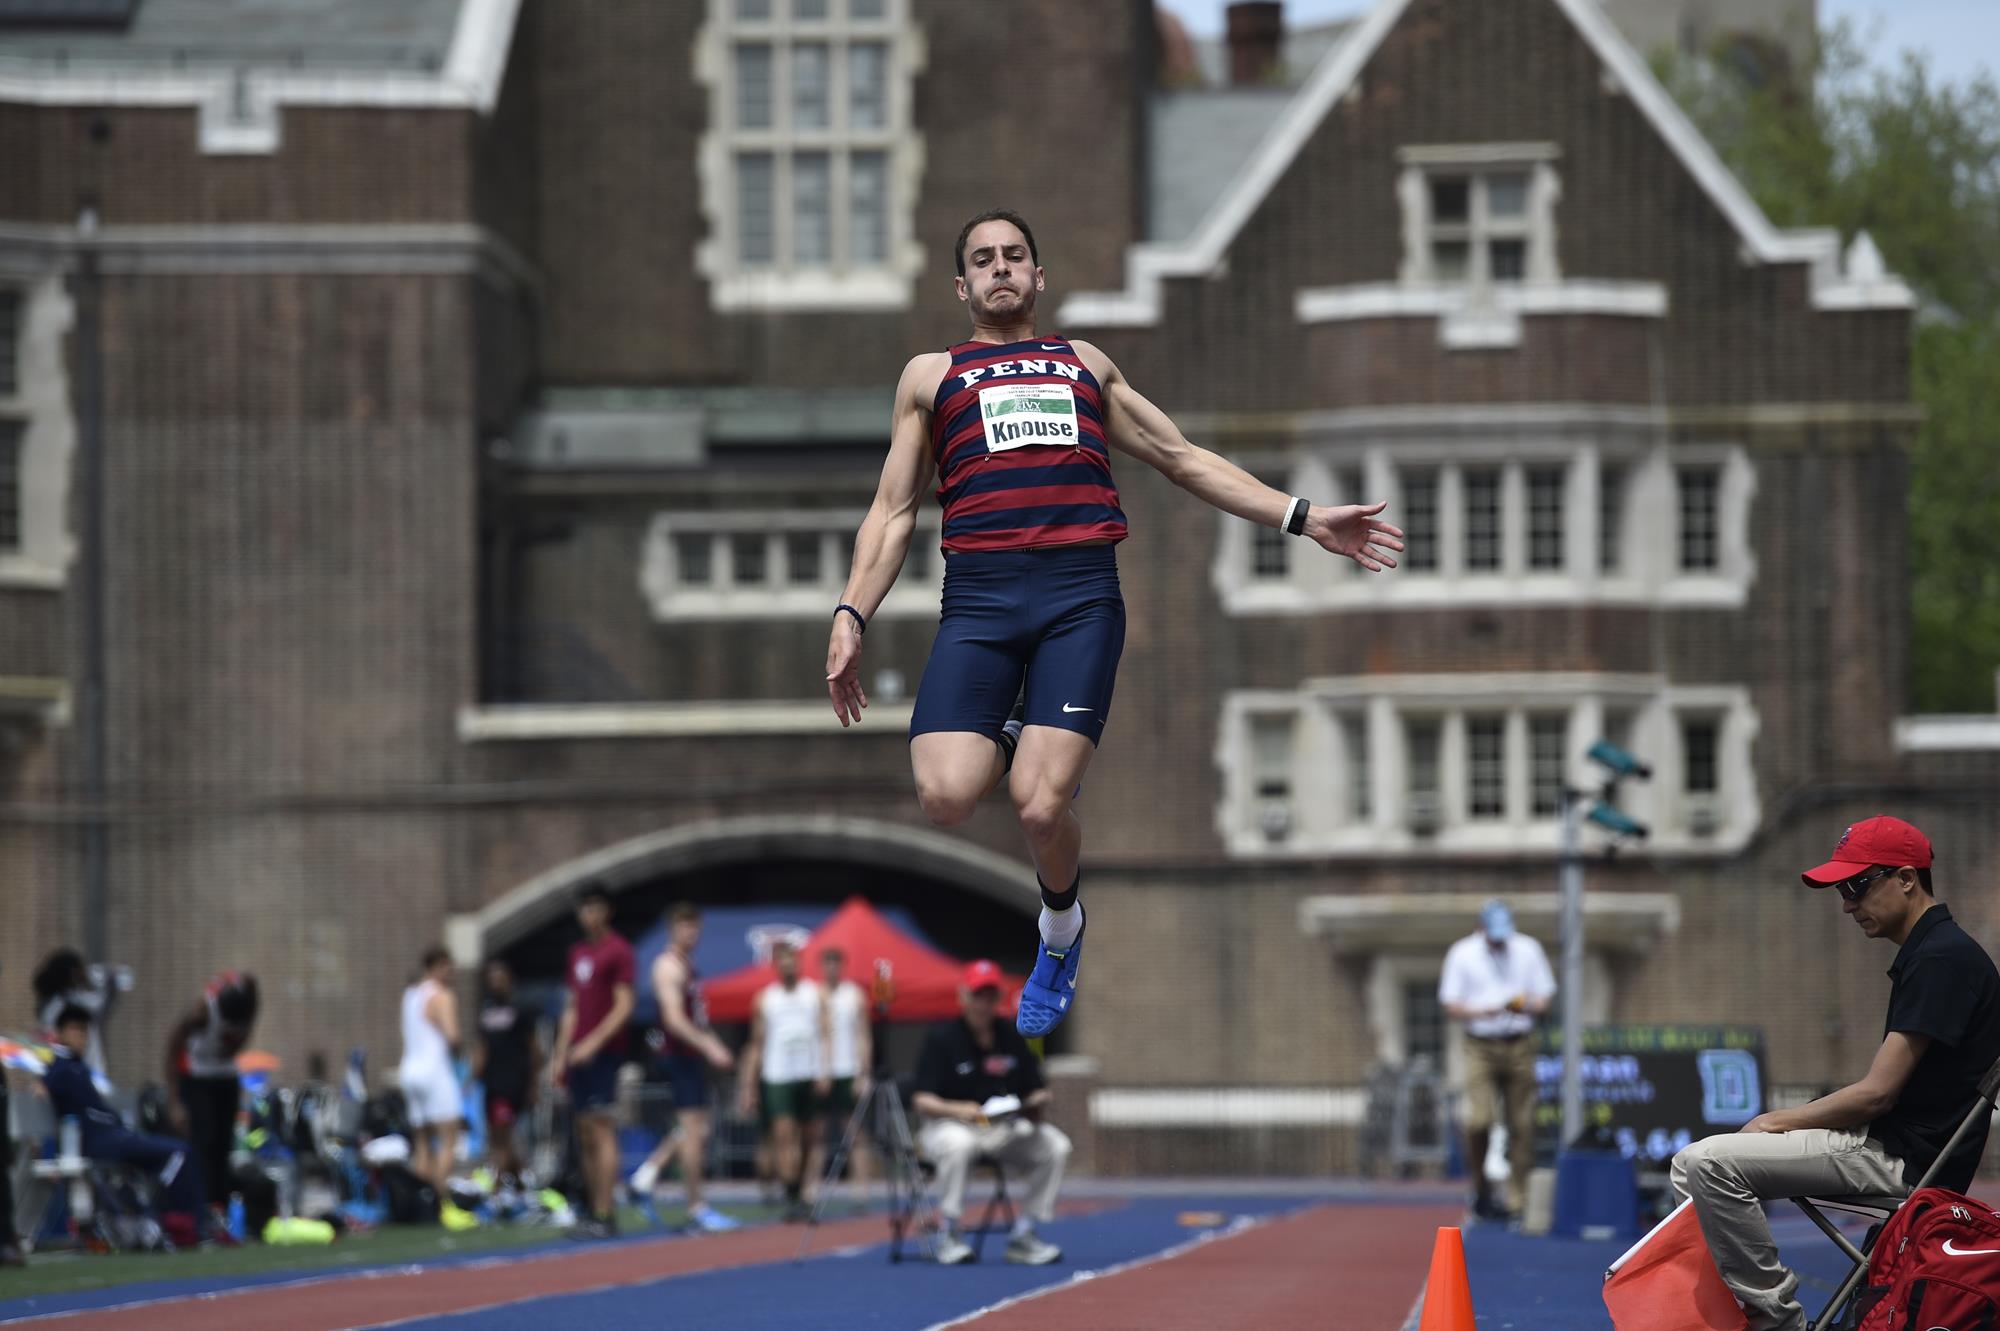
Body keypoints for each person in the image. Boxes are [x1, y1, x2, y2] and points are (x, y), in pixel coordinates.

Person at [825, 209, 1402, 1041]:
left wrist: (1302, 516)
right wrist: (851, 610)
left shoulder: (1082, 365)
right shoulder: (931, 376)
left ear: (1038, 275)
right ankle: (1026, 742)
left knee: (1034, 809)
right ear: (961, 285)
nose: (1000, 269)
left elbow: (1182, 457)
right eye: (983, 261)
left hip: (1077, 600)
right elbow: (892, 510)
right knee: (947, 793)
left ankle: (1060, 929)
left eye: (1015, 256)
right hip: (981, 602)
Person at [1672, 816, 2000, 1331]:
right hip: (1893, 1146)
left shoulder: (1942, 959)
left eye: (1857, 886)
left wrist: (1778, 1120)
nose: (1847, 904)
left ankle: (1776, 1323)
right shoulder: (1936, 953)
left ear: (1907, 879)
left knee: (1706, 1163)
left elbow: (1876, 1096)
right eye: (1842, 891)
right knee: (1688, 1168)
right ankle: (1723, 1317)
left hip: (1902, 1161)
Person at [912, 960, 1069, 1266]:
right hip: (948, 1125)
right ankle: (949, 1231)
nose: (984, 1004)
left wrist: (1034, 1102)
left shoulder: (1012, 1035)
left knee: (1055, 1144)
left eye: (990, 995)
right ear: (963, 996)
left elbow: (1034, 1087)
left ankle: (1024, 1234)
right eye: (977, 995)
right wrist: (959, 1109)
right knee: (960, 1144)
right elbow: (921, 1099)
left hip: (1000, 1128)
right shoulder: (942, 1038)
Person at [47, 1006, 208, 1245]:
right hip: (99, 1142)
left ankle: (182, 1224)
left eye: (85, 1030)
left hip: (116, 1135)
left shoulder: (80, 1069)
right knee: (178, 1154)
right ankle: (185, 1225)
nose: (82, 1036)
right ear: (59, 1033)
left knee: (179, 1151)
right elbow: (48, 1083)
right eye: (75, 1029)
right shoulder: (61, 1069)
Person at [1438, 898, 1555, 1222]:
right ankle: (1482, 1187)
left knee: (1523, 1124)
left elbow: (1544, 998)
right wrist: (1484, 1010)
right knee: (1479, 1120)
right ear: (1481, 928)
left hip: (1519, 1042)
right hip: (1479, 1044)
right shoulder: (1462, 953)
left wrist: (1525, 1005)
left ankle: (1518, 1199)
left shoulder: (1528, 949)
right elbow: (1451, 1004)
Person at [628, 902, 739, 1233]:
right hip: (676, 1056)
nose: (691, 933)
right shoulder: (668, 967)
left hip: (690, 1055)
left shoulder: (689, 966)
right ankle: (696, 1207)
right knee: (693, 1133)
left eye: (695, 927)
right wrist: (708, 1046)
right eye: (684, 926)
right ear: (672, 929)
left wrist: (714, 1044)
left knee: (695, 1131)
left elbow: (697, 1018)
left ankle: (644, 1178)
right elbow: (675, 1020)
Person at [551, 883, 635, 1239]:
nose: (590, 915)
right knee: (584, 1133)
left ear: (607, 911)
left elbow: (624, 1005)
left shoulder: (619, 951)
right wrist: (560, 1054)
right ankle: (591, 1209)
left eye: (596, 907)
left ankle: (606, 1212)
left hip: (604, 1054)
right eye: (584, 908)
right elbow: (571, 1008)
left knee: (602, 1128)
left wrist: (594, 1043)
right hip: (578, 1057)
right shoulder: (577, 953)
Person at [737, 939, 826, 1222]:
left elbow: (825, 1034)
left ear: (799, 963)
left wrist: (825, 1070)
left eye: (792, 961)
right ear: (776, 966)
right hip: (778, 1075)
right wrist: (749, 1086)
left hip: (808, 1074)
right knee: (784, 1135)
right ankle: (792, 1195)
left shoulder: (815, 994)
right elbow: (756, 1043)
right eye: (782, 962)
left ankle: (804, 1187)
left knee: (810, 1137)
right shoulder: (766, 999)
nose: (788, 967)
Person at [164, 970, 258, 1216]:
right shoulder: (202, 1012)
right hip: (197, 1076)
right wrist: (175, 1101)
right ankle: (202, 1205)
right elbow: (172, 1048)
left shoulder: (249, 999)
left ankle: (221, 1204)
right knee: (203, 1141)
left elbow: (251, 984)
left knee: (224, 1143)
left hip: (225, 1076)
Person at [398, 947, 464, 1196]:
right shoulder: (442, 996)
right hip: (434, 1071)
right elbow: (452, 1035)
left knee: (423, 1141)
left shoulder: (410, 995)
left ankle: (420, 1198)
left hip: (410, 1071)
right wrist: (460, 1056)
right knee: (449, 1138)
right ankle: (440, 1197)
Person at [813, 946, 875, 1196]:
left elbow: (863, 1035)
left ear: (841, 966)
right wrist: (819, 1070)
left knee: (855, 1130)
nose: (831, 968)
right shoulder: (815, 995)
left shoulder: (854, 995)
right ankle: (813, 1183)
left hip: (849, 1068)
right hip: (823, 1071)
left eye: (835, 963)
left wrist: (863, 1072)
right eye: (826, 963)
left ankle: (860, 1185)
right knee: (818, 1129)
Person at [474, 958, 539, 1187]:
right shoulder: (486, 1011)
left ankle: (496, 1188)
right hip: (492, 1083)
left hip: (513, 1083)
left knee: (504, 1136)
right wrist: (471, 1078)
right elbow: (482, 1048)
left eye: (499, 977)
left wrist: (533, 1084)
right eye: (491, 978)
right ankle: (522, 1184)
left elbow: (534, 1050)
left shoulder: (521, 1009)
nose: (495, 983)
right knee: (496, 1137)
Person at [32, 948, 131, 1078]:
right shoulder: (65, 1003)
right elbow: (99, 1003)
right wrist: (108, 982)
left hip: (75, 1073)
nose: (81, 1037)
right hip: (76, 1074)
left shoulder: (53, 1004)